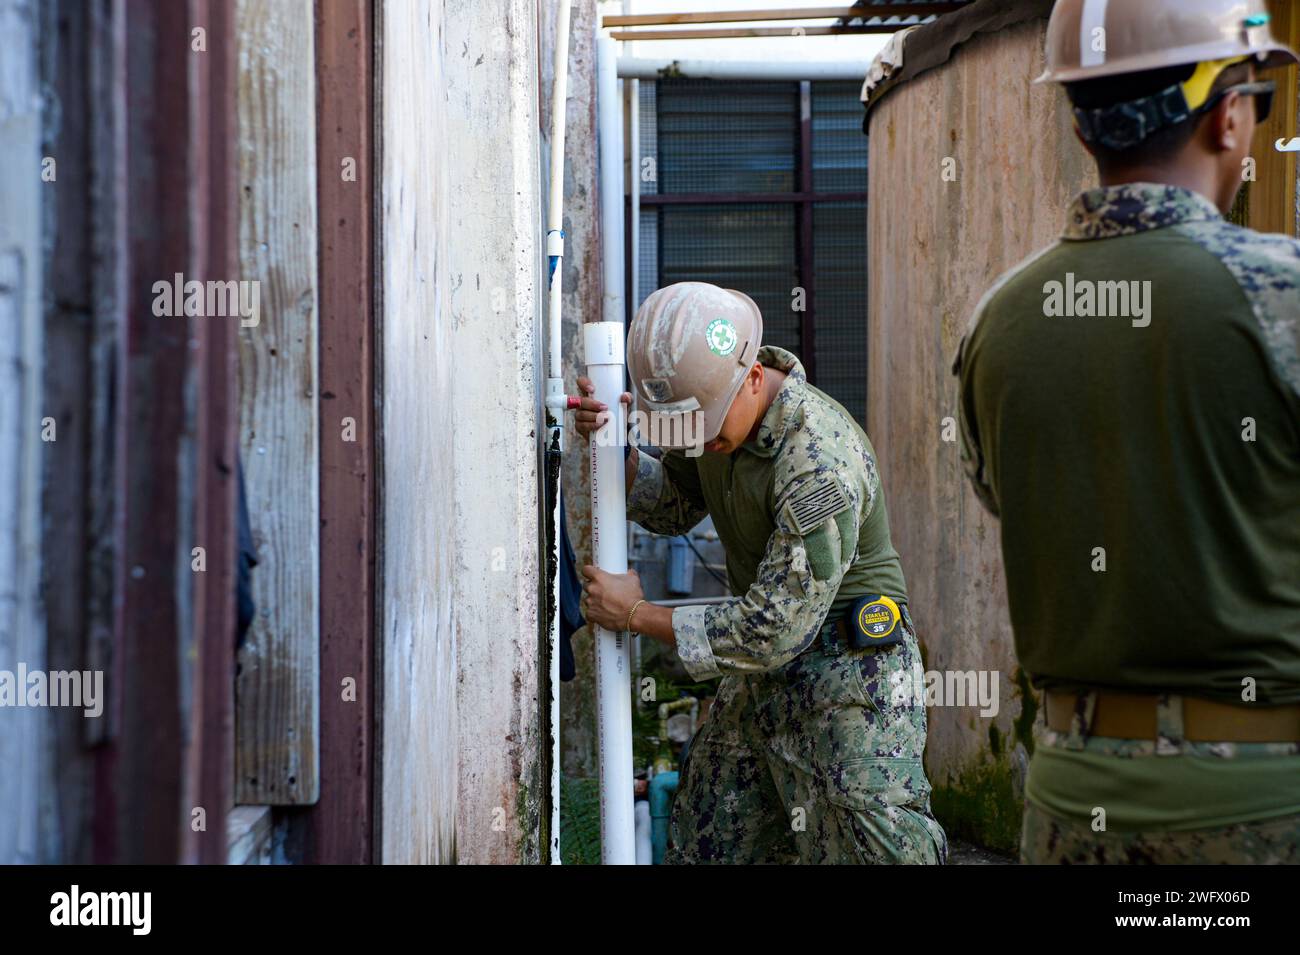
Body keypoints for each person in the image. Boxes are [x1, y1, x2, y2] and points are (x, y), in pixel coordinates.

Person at [955, 0, 1300, 863]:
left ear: (1081, 126)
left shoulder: (996, 325)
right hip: (1262, 808)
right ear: (1228, 114)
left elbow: (1013, 499)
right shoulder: (1279, 294)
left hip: (1069, 809)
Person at [576, 281, 946, 864]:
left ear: (752, 376)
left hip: (848, 672)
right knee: (712, 838)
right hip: (763, 673)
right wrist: (615, 457)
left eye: (707, 430)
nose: (703, 445)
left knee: (873, 850)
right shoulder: (717, 418)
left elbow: (772, 629)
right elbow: (676, 502)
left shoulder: (817, 459)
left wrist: (637, 615)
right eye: (686, 432)